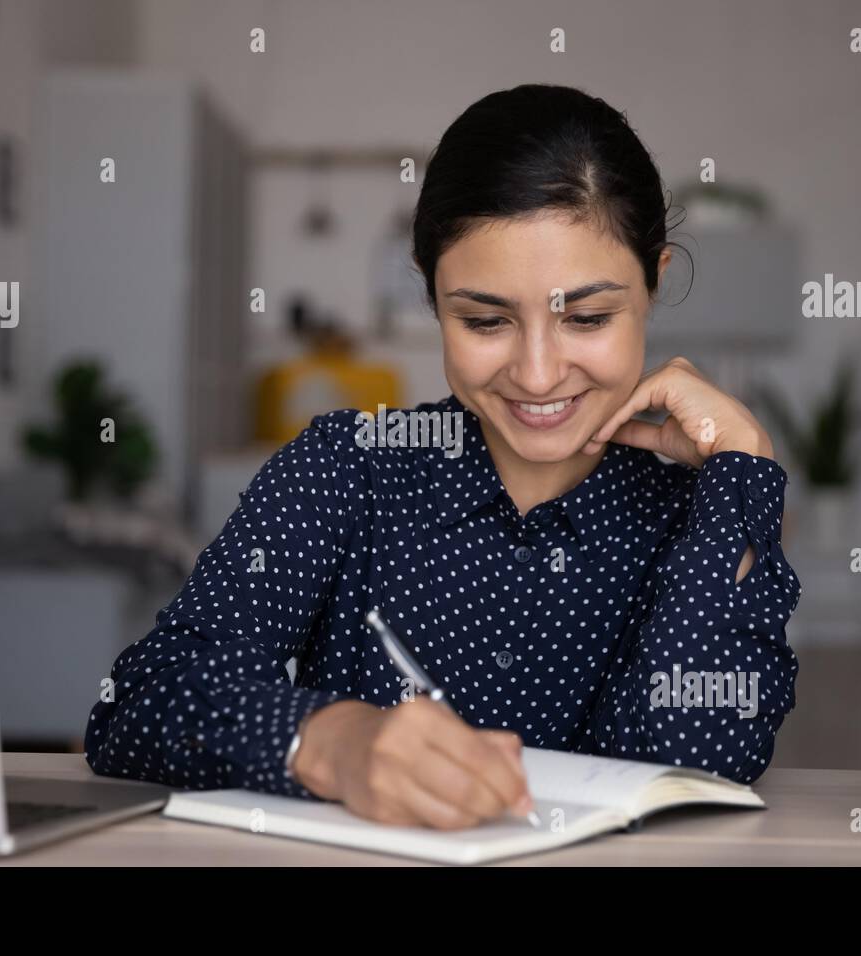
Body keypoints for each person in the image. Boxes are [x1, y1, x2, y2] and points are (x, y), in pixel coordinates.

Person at [85, 83, 801, 831]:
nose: (536, 373)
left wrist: (741, 466)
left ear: (653, 281)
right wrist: (335, 741)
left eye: (586, 317)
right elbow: (140, 706)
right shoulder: (346, 469)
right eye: (485, 320)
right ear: (431, 298)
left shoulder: (697, 515)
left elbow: (697, 757)